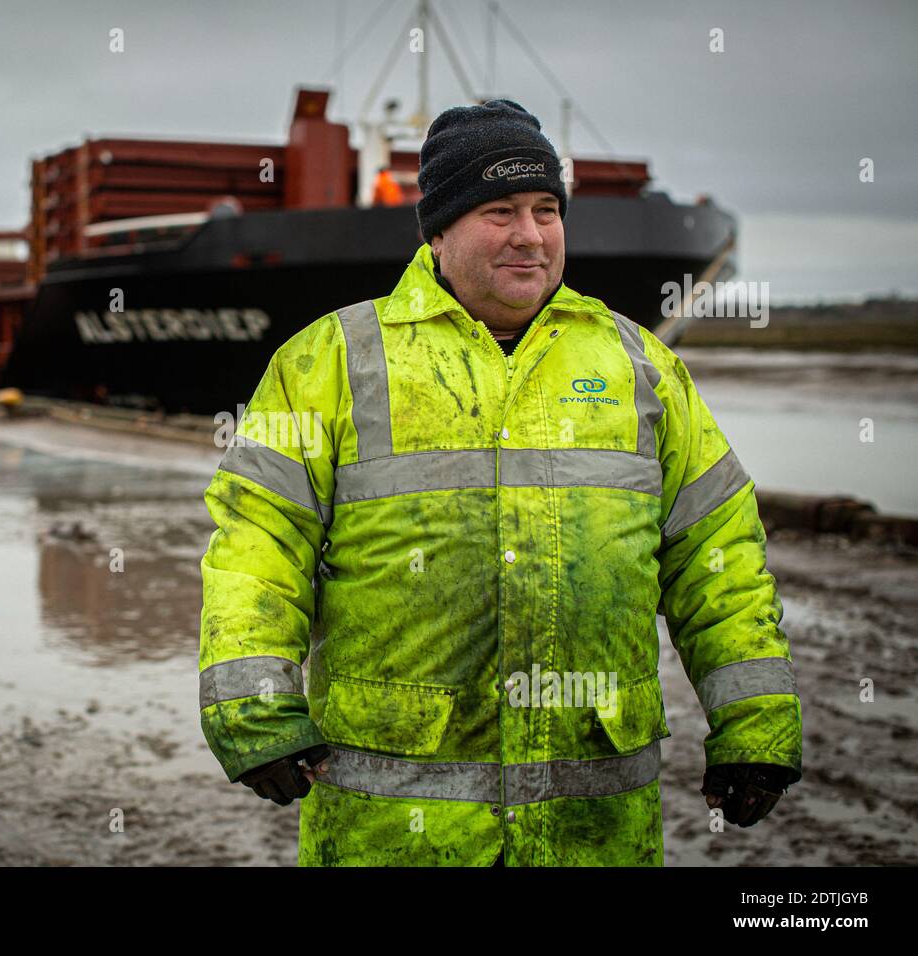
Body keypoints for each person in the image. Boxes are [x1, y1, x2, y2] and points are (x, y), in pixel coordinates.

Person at [197, 99, 802, 866]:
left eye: (546, 209)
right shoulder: (329, 362)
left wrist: (756, 721)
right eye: (499, 211)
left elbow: (718, 554)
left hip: (598, 834)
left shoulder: (641, 365)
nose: (530, 235)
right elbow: (259, 544)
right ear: (438, 230)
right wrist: (255, 709)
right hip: (394, 838)